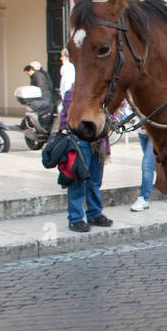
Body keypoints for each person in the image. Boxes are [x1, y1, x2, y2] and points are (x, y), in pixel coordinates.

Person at [60, 84, 111, 233]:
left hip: (99, 141)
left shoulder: (102, 94)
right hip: (80, 141)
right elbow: (74, 118)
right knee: (78, 180)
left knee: (95, 180)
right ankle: (75, 218)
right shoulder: (73, 94)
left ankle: (95, 213)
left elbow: (110, 114)